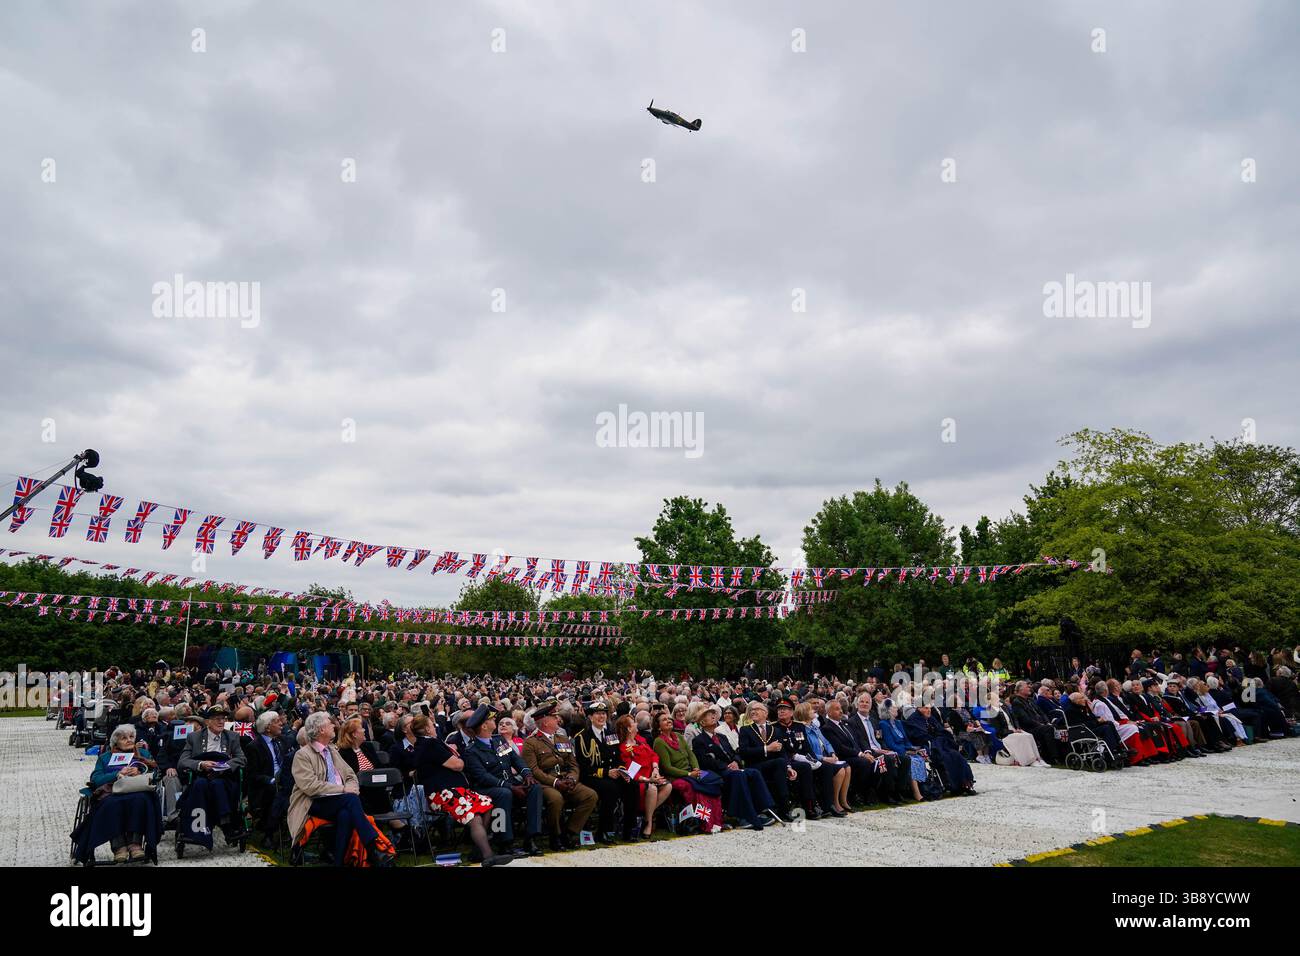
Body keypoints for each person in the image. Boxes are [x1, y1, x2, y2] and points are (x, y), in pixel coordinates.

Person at [288, 711, 399, 867]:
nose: (334, 725)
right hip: (313, 802)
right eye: (330, 723)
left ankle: (339, 862)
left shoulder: (332, 750)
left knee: (346, 814)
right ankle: (373, 848)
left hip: (339, 800)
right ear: (321, 730)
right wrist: (343, 789)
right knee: (350, 799)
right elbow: (310, 786)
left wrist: (352, 787)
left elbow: (350, 774)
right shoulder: (303, 755)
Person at [410, 714, 512, 866]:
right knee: (475, 817)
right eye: (431, 724)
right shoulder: (430, 744)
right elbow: (457, 765)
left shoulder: (427, 743)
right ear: (426, 729)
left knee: (487, 804)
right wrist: (458, 758)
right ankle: (488, 855)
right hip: (444, 793)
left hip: (455, 790)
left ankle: (479, 851)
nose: (434, 726)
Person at [461, 704, 544, 856]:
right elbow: (483, 777)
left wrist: (527, 775)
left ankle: (531, 838)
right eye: (492, 719)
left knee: (535, 788)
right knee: (503, 794)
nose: (496, 721)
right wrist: (510, 787)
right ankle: (504, 842)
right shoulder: (472, 750)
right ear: (485, 725)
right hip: (488, 789)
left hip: (510, 784)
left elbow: (515, 759)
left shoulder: (498, 741)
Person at [521, 700, 599, 850]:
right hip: (545, 783)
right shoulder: (530, 743)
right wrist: (556, 782)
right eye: (553, 717)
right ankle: (555, 836)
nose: (558, 719)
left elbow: (573, 764)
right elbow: (534, 770)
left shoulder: (562, 739)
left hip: (566, 779)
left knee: (590, 795)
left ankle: (570, 832)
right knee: (556, 799)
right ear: (545, 722)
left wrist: (572, 778)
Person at [84, 724, 159, 863]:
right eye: (124, 738)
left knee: (140, 800)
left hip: (138, 790)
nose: (129, 740)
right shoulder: (105, 757)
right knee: (112, 803)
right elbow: (95, 779)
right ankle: (119, 847)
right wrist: (116, 774)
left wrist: (141, 771)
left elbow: (157, 774)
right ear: (115, 741)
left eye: (131, 737)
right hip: (112, 792)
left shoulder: (143, 755)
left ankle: (135, 844)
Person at [691, 705, 774, 829]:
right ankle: (743, 816)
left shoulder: (722, 737)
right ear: (702, 722)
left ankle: (761, 809)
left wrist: (736, 762)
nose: (713, 716)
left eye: (713, 714)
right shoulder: (699, 740)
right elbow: (705, 762)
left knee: (754, 772)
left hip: (732, 768)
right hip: (715, 772)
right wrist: (727, 766)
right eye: (709, 715)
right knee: (739, 776)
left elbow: (735, 753)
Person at [177, 705, 248, 846]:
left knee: (218, 784)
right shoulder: (194, 737)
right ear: (207, 722)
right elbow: (182, 762)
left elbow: (241, 759)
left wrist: (224, 766)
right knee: (200, 784)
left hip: (223, 776)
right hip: (202, 775)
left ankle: (226, 823)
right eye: (217, 719)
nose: (221, 722)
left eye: (223, 719)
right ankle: (198, 829)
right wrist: (201, 764)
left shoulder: (232, 737)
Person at [572, 701, 640, 844]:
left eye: (604, 713)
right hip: (592, 776)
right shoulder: (582, 737)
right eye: (597, 714)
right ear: (590, 717)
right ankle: (604, 831)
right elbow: (584, 767)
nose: (601, 717)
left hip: (613, 774)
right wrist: (606, 772)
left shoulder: (610, 734)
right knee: (611, 789)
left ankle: (629, 829)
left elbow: (617, 758)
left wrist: (622, 770)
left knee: (632, 785)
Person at [652, 711, 725, 833]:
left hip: (692, 772)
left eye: (669, 718)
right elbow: (667, 767)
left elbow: (691, 755)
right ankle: (702, 823)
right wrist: (689, 774)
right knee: (693, 787)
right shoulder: (659, 742)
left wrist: (696, 768)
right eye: (664, 720)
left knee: (713, 780)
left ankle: (717, 821)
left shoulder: (679, 736)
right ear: (658, 726)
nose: (669, 720)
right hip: (676, 776)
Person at [736, 701, 797, 821]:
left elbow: (782, 752)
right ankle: (784, 808)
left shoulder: (775, 730)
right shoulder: (746, 730)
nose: (753, 711)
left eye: (757, 709)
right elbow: (744, 752)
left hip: (774, 766)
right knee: (779, 763)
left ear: (765, 713)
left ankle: (786, 807)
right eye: (752, 709)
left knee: (785, 764)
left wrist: (789, 767)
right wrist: (767, 748)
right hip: (755, 765)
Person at [616, 713, 672, 837]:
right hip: (639, 780)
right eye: (634, 722)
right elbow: (630, 771)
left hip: (651, 774)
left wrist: (655, 769)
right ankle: (649, 823)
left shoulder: (641, 740)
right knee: (652, 788)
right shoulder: (623, 748)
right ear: (629, 728)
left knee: (667, 786)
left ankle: (646, 816)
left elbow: (653, 755)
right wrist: (648, 780)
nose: (637, 724)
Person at [905, 704, 976, 796]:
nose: (929, 710)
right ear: (919, 708)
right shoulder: (913, 720)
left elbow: (941, 730)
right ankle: (953, 786)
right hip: (927, 746)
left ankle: (965, 784)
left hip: (940, 744)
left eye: (930, 708)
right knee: (946, 758)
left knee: (957, 756)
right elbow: (918, 736)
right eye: (926, 708)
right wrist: (935, 738)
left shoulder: (930, 718)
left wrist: (940, 737)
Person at [244, 709, 292, 844]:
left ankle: (288, 832)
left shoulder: (282, 741)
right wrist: (271, 780)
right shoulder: (254, 747)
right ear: (267, 728)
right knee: (278, 793)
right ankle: (270, 833)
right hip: (264, 787)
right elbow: (252, 775)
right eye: (277, 722)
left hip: (284, 781)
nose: (281, 724)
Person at [796, 700, 851, 815]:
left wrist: (832, 753)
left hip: (826, 757)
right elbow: (807, 750)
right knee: (839, 770)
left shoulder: (814, 727)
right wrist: (824, 758)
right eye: (811, 709)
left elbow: (826, 742)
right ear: (805, 713)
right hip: (816, 759)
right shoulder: (801, 729)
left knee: (846, 768)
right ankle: (833, 802)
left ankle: (842, 801)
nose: (814, 711)